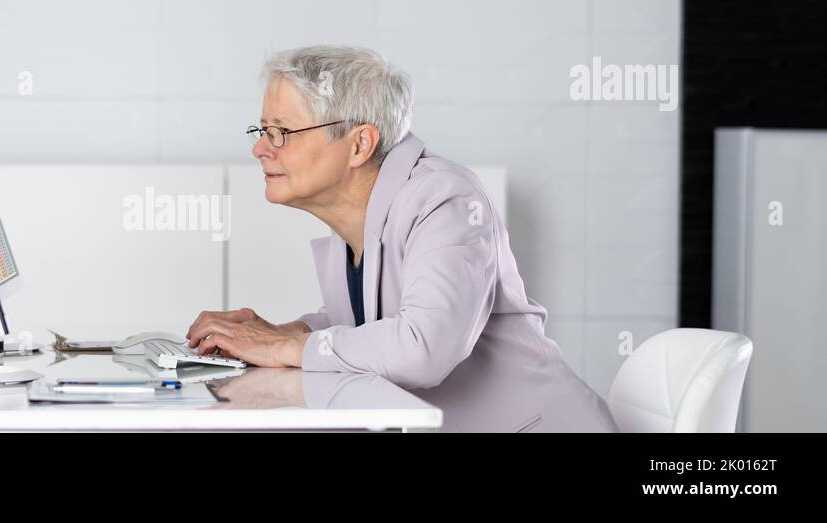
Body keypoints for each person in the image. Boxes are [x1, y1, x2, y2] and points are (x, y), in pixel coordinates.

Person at [184, 45, 615, 432]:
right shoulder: (355, 217)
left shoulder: (446, 198)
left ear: (359, 145)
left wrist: (287, 346)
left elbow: (422, 345)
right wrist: (280, 333)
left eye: (281, 131)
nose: (261, 148)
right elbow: (367, 328)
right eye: (261, 130)